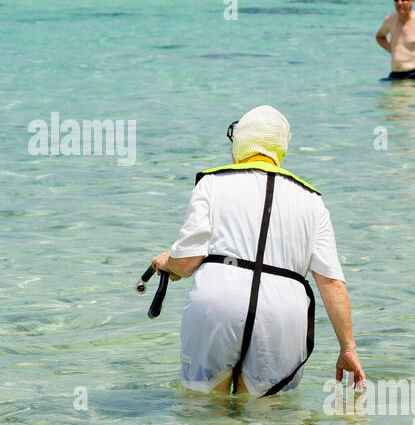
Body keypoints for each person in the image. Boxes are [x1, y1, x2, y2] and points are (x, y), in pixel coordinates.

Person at [150, 106, 366, 396]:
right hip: (283, 312)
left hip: (216, 302)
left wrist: (168, 263)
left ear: (241, 141)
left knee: (201, 411)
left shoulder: (212, 182)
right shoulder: (313, 200)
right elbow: (331, 283)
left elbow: (187, 261)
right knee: (271, 422)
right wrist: (347, 348)